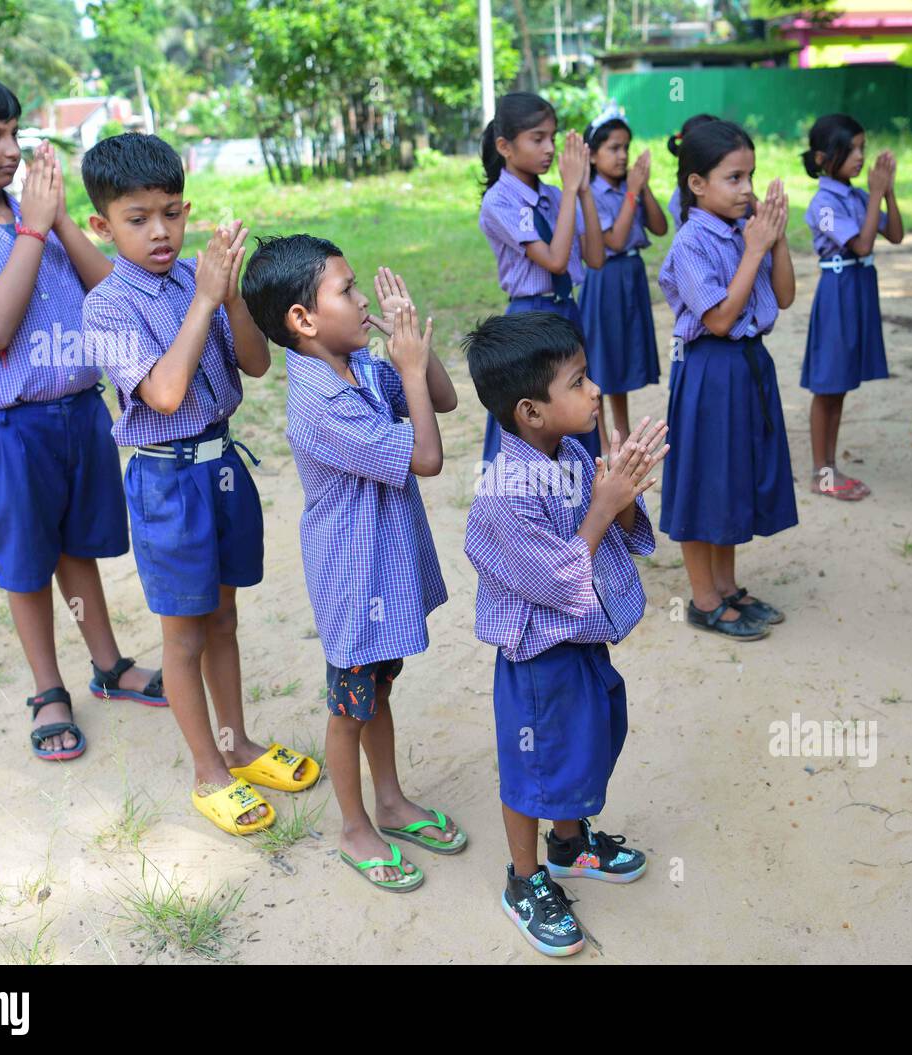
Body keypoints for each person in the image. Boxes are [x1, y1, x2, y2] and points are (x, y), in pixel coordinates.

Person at [0, 69, 164, 762]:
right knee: (26, 560)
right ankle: (48, 689)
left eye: (15, 133)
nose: (11, 149)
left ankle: (108, 665)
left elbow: (110, 288)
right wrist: (31, 232)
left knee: (78, 547)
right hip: (6, 428)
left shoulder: (36, 213)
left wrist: (58, 220)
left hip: (77, 412)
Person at [82, 133, 317, 835]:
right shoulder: (106, 307)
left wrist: (233, 298)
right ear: (101, 225)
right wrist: (202, 300)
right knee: (182, 634)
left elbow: (256, 365)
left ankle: (237, 744)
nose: (161, 231)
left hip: (222, 467)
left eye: (173, 213)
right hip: (166, 481)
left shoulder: (199, 277)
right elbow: (162, 391)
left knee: (224, 618)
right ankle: (207, 773)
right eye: (138, 217)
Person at [242, 236, 463, 891]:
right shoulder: (320, 402)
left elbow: (443, 401)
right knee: (349, 706)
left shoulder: (360, 367)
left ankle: (391, 801)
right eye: (347, 290)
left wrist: (413, 349)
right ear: (303, 320)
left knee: (378, 688)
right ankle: (353, 825)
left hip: (385, 569)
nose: (363, 298)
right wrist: (411, 370)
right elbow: (427, 456)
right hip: (354, 579)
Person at [464, 311, 668, 956]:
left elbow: (619, 533)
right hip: (539, 658)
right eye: (578, 383)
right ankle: (524, 880)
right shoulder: (503, 493)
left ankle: (570, 844)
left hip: (582, 640)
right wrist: (605, 504)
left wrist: (623, 487)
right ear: (530, 411)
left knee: (591, 737)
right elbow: (557, 579)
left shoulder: (572, 450)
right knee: (535, 767)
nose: (595, 390)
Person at [658, 120, 797, 640]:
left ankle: (729, 585)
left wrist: (774, 241)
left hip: (748, 366)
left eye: (751, 177)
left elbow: (782, 297)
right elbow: (718, 318)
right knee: (703, 481)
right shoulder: (692, 242)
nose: (747, 190)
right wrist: (755, 249)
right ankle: (703, 598)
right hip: (710, 370)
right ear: (697, 184)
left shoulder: (747, 231)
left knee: (732, 477)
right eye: (734, 178)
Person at [477, 91, 604, 462]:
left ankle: (584, 499)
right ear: (505, 146)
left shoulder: (552, 194)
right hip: (528, 321)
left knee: (578, 409)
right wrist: (568, 193)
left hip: (566, 313)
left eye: (553, 137)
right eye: (537, 138)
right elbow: (555, 260)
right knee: (534, 421)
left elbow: (595, 257)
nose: (549, 148)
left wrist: (582, 191)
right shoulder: (501, 200)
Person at [800, 113, 903, 500]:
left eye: (863, 147)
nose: (861, 157)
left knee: (840, 385)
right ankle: (820, 471)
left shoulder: (858, 195)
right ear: (825, 158)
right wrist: (875, 194)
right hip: (838, 292)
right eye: (852, 149)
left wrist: (886, 191)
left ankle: (830, 466)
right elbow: (861, 245)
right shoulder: (824, 203)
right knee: (827, 383)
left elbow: (894, 234)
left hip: (859, 290)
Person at [577, 103, 667, 443]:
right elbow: (612, 239)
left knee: (623, 355)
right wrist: (631, 192)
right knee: (603, 357)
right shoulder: (592, 194)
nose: (621, 155)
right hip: (605, 279)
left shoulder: (630, 187)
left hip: (632, 274)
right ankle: (602, 439)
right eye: (613, 148)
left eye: (626, 148)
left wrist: (642, 188)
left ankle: (622, 429)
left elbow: (659, 227)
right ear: (593, 155)